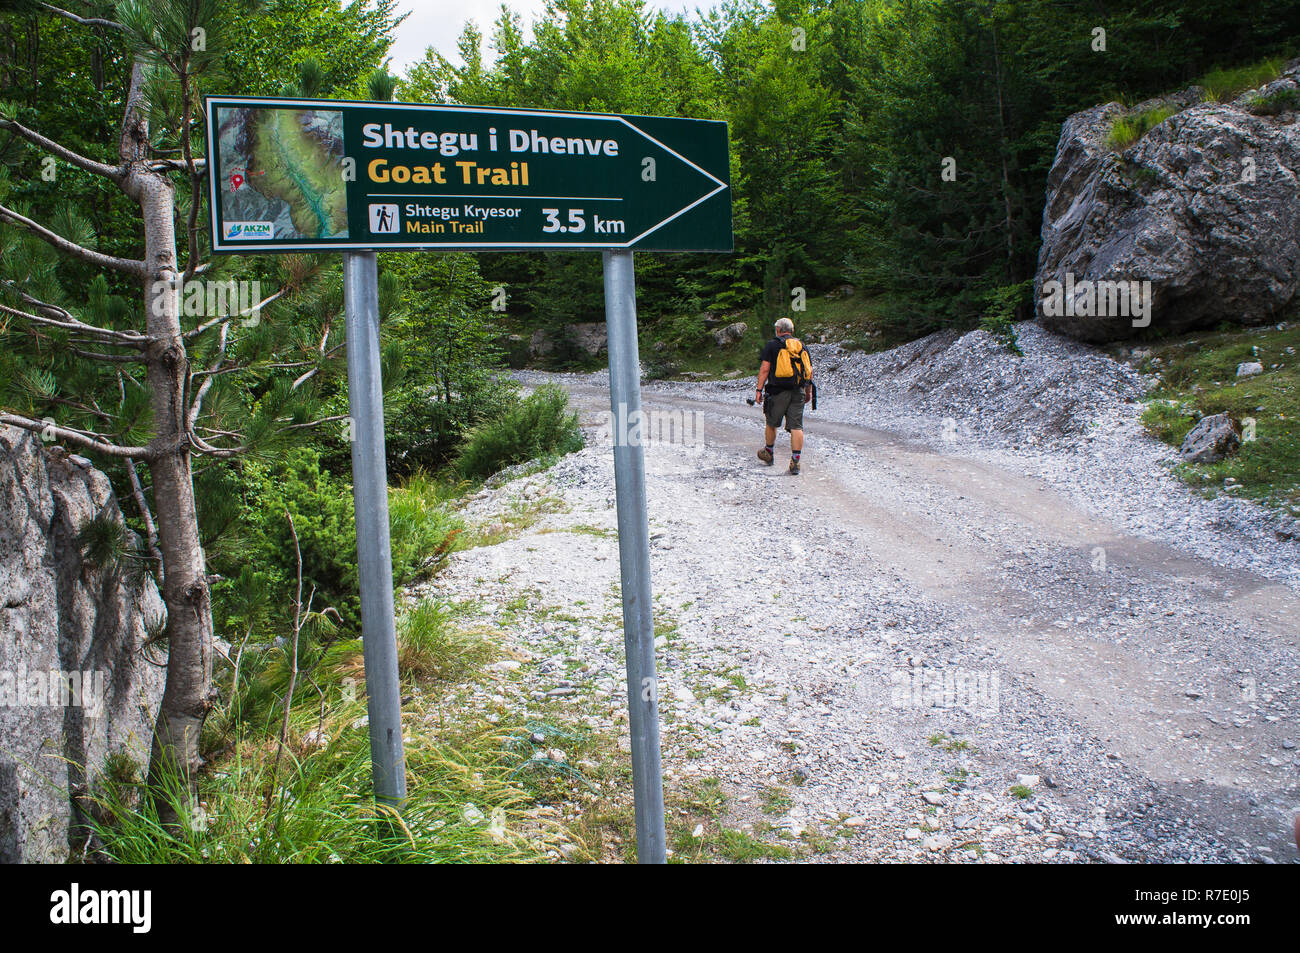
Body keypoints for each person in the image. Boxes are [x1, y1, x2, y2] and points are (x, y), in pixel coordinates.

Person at [755, 317, 813, 475]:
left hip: (777, 391)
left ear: (778, 330)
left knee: (772, 422)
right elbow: (809, 371)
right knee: (796, 426)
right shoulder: (801, 346)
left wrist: (759, 390)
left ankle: (769, 452)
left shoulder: (772, 345)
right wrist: (808, 392)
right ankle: (795, 461)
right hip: (798, 391)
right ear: (792, 330)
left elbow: (765, 369)